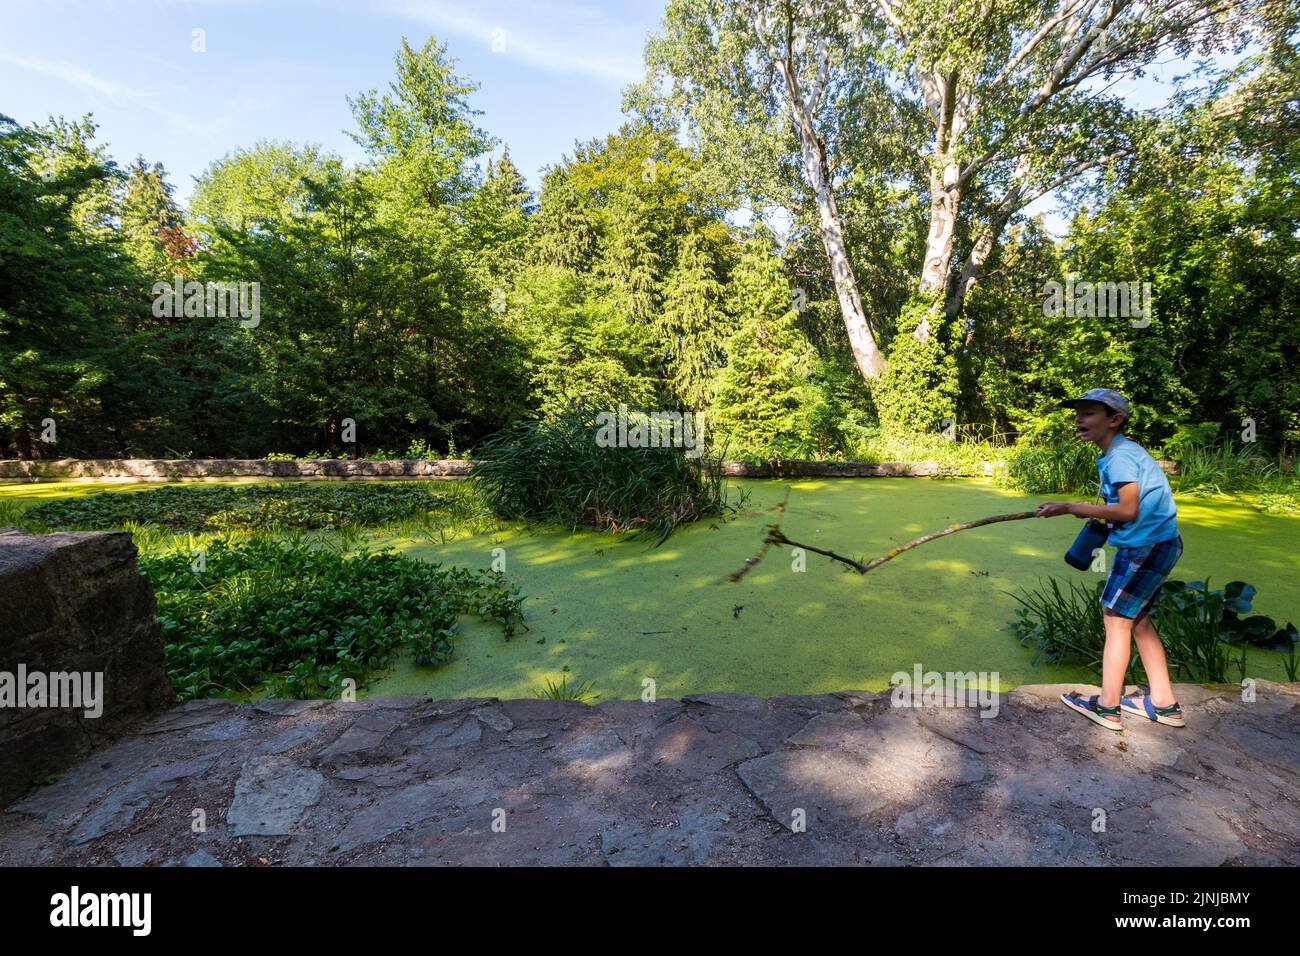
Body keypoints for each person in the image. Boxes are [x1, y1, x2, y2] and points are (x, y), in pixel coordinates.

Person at [1036, 388, 1186, 730]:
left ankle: (1107, 707)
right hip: (1159, 543)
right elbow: (1122, 507)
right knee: (1139, 620)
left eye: (1089, 413)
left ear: (1115, 420)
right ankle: (1164, 704)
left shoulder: (1119, 455)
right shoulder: (1120, 452)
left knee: (1116, 621)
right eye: (1078, 413)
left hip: (1144, 546)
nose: (1079, 419)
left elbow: (1129, 510)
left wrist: (1071, 507)